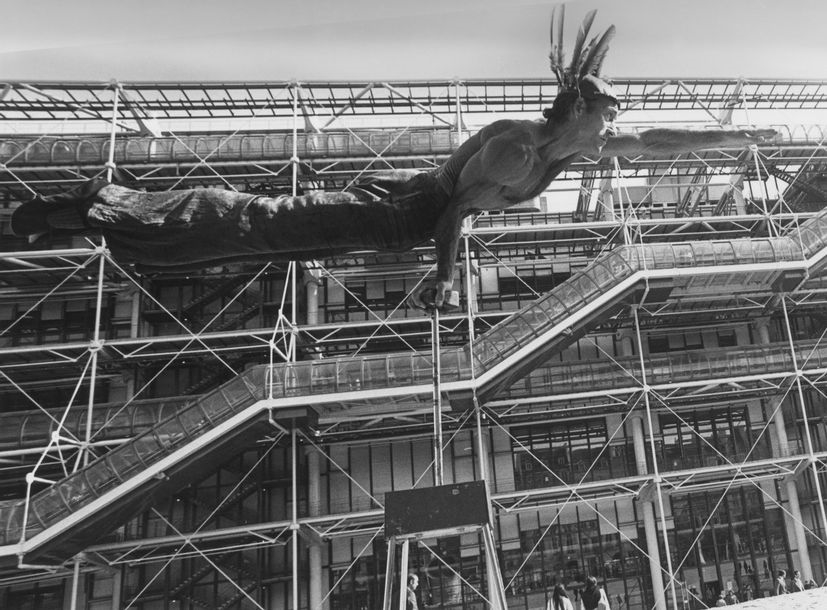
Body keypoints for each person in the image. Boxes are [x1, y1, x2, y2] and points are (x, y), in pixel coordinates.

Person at [10, 10, 776, 310]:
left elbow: (658, 143)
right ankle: (102, 205)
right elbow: (449, 212)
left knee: (270, 239)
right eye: (609, 111)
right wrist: (445, 275)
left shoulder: (575, 147)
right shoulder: (517, 150)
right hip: (402, 210)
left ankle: (108, 219)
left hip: (402, 219)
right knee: (261, 224)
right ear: (577, 109)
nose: (617, 127)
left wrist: (733, 140)